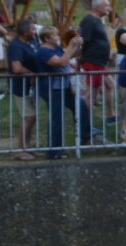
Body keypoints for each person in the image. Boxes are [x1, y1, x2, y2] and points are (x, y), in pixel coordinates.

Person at [35, 25, 92, 158]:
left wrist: (78, 46)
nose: (58, 37)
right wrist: (71, 44)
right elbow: (61, 62)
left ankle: (85, 135)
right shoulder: (43, 51)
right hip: (52, 88)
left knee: (81, 105)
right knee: (57, 119)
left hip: (64, 86)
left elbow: (71, 55)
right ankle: (55, 151)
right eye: (55, 35)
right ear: (46, 38)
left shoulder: (57, 48)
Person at [7, 18, 41, 159]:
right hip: (21, 86)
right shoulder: (16, 46)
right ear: (26, 31)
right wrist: (32, 74)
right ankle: (21, 150)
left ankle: (28, 147)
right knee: (29, 117)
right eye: (33, 29)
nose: (35, 31)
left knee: (32, 117)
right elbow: (16, 68)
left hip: (33, 86)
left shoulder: (33, 41)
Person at [79, 0, 114, 122]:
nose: (109, 8)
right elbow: (83, 41)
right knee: (91, 93)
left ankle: (110, 116)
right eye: (106, 5)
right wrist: (80, 60)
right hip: (93, 61)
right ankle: (85, 121)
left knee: (110, 85)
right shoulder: (89, 21)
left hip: (100, 61)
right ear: (97, 7)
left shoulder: (98, 20)